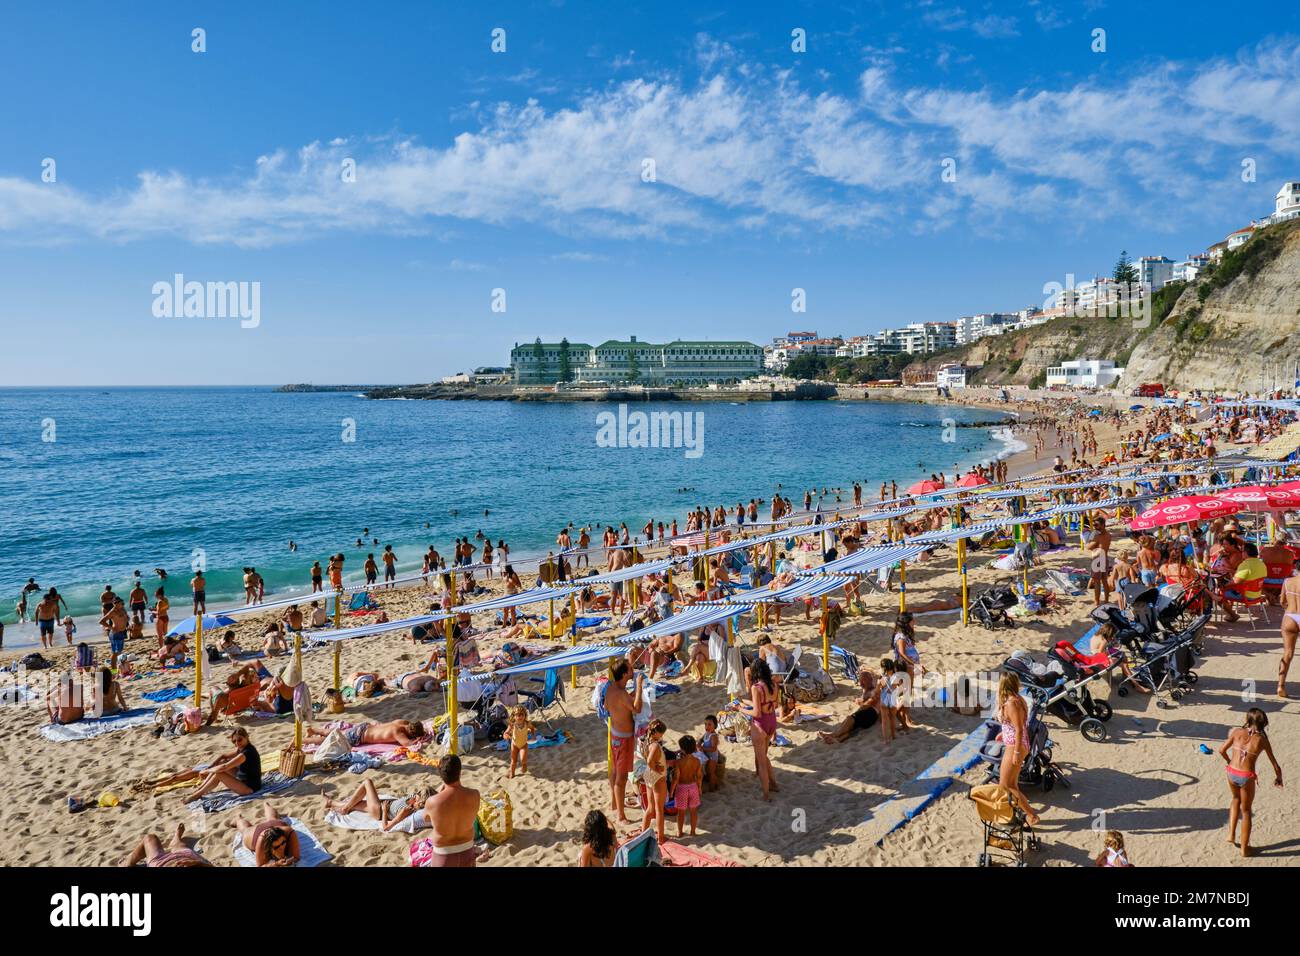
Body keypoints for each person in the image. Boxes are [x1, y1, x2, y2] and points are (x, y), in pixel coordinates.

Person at [1219, 708, 1283, 857]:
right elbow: (1275, 765)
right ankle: (1244, 849)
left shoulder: (1236, 732)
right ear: (1263, 723)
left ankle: (1231, 835)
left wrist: (1229, 762)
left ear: (1247, 720)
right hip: (1246, 777)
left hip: (1231, 772)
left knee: (1235, 799)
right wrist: (1279, 778)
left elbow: (1221, 750)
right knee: (1246, 811)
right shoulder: (1262, 740)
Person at [995, 673, 1039, 826]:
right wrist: (1004, 733)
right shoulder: (1017, 699)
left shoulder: (1011, 703)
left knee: (1005, 785)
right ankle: (1025, 813)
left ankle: (1031, 815)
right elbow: (1014, 725)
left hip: (1016, 745)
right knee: (1013, 785)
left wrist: (1016, 752)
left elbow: (1019, 729)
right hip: (1016, 743)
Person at [605, 659, 645, 825]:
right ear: (624, 675)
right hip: (623, 739)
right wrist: (640, 687)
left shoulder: (611, 688)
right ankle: (621, 817)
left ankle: (615, 804)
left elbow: (609, 706)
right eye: (629, 669)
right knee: (621, 779)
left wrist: (627, 700)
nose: (633, 669)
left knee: (614, 771)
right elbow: (637, 709)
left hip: (614, 735)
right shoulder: (621, 694)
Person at [422, 755, 481, 867]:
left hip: (443, 856)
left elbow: (426, 819)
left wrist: (439, 794)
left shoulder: (433, 802)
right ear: (459, 772)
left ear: (441, 775)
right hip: (467, 851)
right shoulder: (475, 795)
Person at [733, 658, 778, 800]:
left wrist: (740, 709)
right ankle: (774, 784)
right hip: (771, 721)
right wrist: (746, 703)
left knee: (762, 762)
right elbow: (771, 705)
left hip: (760, 724)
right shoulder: (774, 684)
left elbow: (757, 713)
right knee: (764, 757)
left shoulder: (756, 687)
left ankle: (766, 794)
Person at [181, 728, 263, 804]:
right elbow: (223, 756)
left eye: (239, 740)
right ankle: (201, 788)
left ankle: (196, 796)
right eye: (234, 741)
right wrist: (210, 767)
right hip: (243, 779)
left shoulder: (246, 753)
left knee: (219, 773)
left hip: (249, 788)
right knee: (221, 763)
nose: (237, 743)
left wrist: (206, 771)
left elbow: (225, 767)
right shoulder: (242, 748)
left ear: (247, 737)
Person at [322, 778, 431, 832]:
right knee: (356, 803)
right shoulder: (414, 797)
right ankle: (331, 803)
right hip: (382, 805)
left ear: (419, 802)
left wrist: (384, 811)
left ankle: (344, 809)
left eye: (418, 795)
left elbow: (386, 827)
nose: (416, 794)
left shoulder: (407, 811)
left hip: (379, 811)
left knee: (367, 782)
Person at [819, 666, 882, 744]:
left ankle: (834, 734)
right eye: (860, 680)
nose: (861, 683)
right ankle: (839, 739)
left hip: (871, 713)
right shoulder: (867, 689)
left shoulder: (874, 691)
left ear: (870, 680)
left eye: (863, 681)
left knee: (850, 719)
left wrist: (860, 705)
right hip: (869, 715)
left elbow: (867, 704)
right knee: (850, 724)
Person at [226, 804, 301, 867]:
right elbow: (260, 866)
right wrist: (276, 864)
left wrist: (291, 860)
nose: (282, 848)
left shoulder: (290, 833)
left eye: (283, 843)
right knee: (245, 830)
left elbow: (296, 857)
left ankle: (266, 804)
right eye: (277, 847)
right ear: (268, 847)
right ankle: (238, 819)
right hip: (256, 835)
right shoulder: (261, 842)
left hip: (275, 825)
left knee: (273, 818)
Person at [119, 823, 211, 868]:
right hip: (188, 857)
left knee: (150, 838)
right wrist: (196, 863)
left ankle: (127, 862)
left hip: (161, 862)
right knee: (181, 847)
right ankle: (176, 838)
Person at [639, 720, 669, 846]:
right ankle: (661, 837)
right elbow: (650, 761)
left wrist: (653, 767)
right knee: (659, 809)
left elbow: (649, 759)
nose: (662, 736)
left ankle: (643, 833)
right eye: (661, 734)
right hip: (658, 778)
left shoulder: (646, 741)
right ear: (657, 733)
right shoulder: (655, 745)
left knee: (650, 808)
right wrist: (657, 769)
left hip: (648, 775)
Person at [303, 719, 425, 748]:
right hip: (359, 736)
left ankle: (314, 730)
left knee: (339, 733)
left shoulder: (402, 722)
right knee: (331, 740)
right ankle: (305, 741)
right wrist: (419, 739)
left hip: (364, 726)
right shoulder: (399, 732)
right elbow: (408, 744)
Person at [674, 735, 703, 837]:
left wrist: (672, 790)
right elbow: (699, 777)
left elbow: (676, 778)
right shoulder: (697, 761)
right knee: (693, 812)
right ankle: (693, 831)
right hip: (693, 787)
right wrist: (699, 788)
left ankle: (680, 832)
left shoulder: (679, 762)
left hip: (682, 787)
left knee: (681, 813)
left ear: (682, 748)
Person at [506, 704, 535, 778]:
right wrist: (506, 735)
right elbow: (505, 733)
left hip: (523, 745)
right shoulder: (512, 725)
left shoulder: (527, 723)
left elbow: (532, 728)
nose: (520, 717)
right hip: (514, 745)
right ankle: (512, 772)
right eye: (517, 715)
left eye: (522, 714)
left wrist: (533, 735)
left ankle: (524, 765)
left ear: (525, 715)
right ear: (514, 716)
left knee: (523, 759)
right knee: (513, 761)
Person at [699, 714, 725, 790]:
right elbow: (701, 739)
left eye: (709, 724)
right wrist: (699, 743)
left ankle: (713, 786)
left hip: (712, 757)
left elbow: (713, 749)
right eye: (705, 724)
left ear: (715, 726)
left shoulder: (713, 736)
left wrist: (703, 748)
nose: (707, 726)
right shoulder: (707, 733)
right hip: (706, 755)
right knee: (707, 771)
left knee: (711, 772)